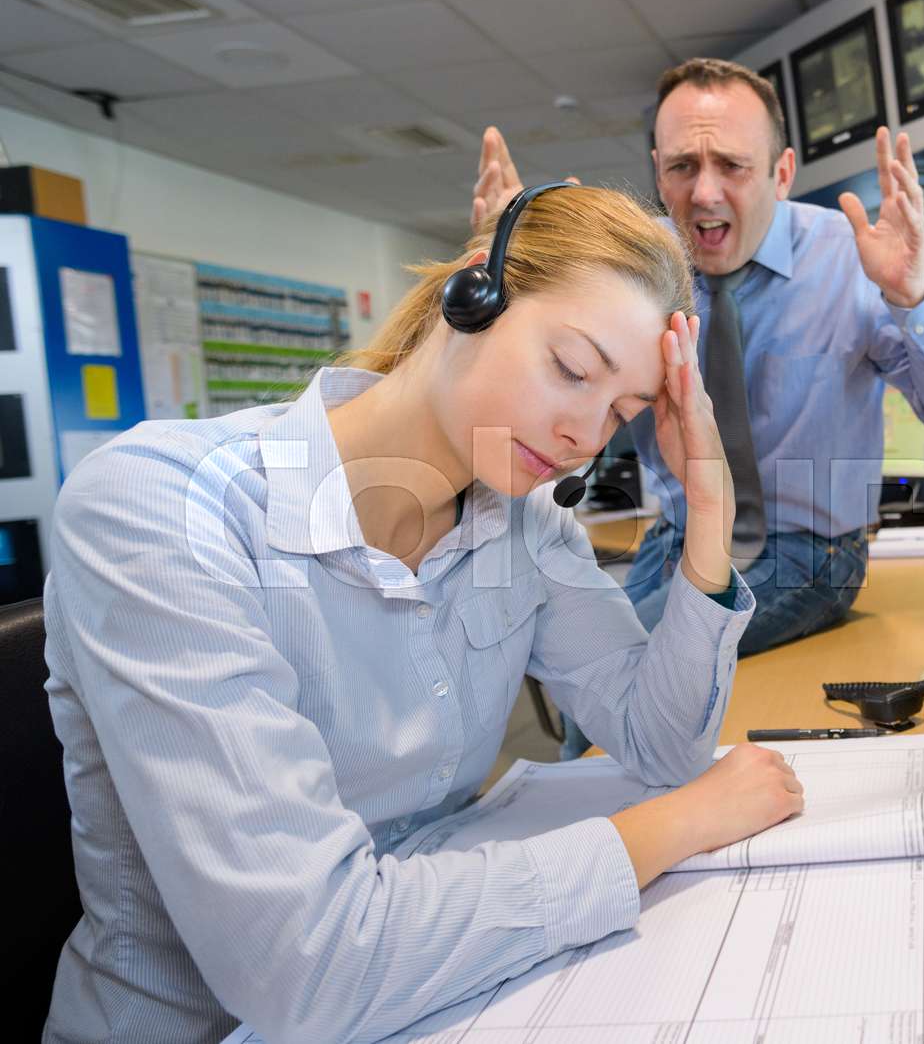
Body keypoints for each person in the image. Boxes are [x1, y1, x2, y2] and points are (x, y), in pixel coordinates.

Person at [41, 184, 805, 1043]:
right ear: (474, 292)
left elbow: (663, 742)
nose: (583, 435)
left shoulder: (527, 525)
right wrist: (667, 830)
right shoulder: (162, 509)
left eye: (622, 412)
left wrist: (708, 511)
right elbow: (308, 964)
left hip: (438, 996)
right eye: (572, 369)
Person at [473, 59, 924, 756]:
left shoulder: (849, 259)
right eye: (684, 166)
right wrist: (507, 278)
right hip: (677, 534)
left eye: (732, 164)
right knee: (584, 695)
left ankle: (620, 832)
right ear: (656, 168)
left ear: (782, 173)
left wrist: (913, 298)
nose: (705, 190)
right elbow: (544, 408)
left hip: (806, 553)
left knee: (632, 683)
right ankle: (599, 832)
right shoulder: (633, 268)